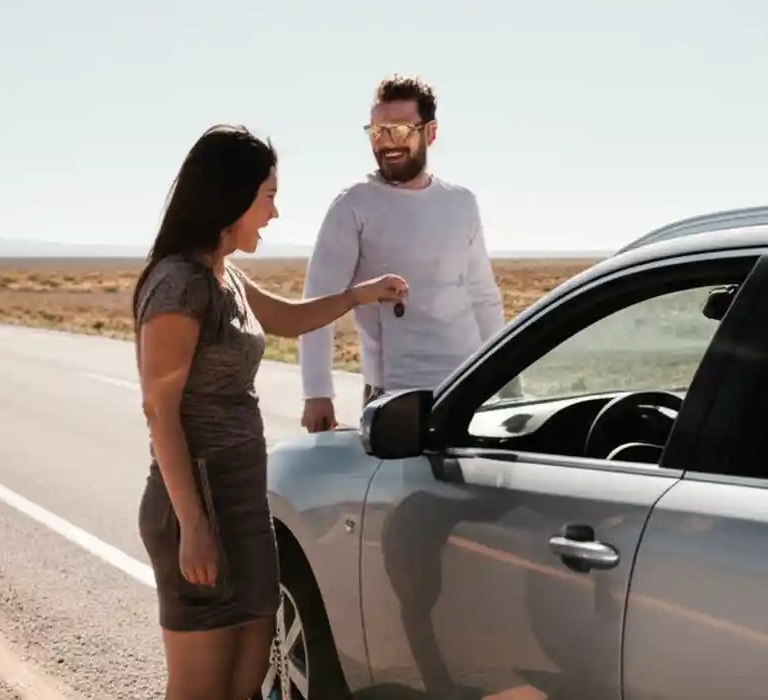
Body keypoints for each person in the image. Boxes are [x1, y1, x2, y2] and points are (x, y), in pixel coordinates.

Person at [131, 124, 407, 700]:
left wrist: (359, 294)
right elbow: (161, 410)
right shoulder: (179, 284)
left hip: (244, 500)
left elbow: (286, 317)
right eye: (269, 197)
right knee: (200, 691)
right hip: (196, 503)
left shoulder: (223, 273)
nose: (274, 214)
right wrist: (194, 527)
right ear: (230, 198)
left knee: (245, 684)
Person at [298, 74, 507, 432]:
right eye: (377, 132)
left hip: (468, 386)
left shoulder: (461, 203)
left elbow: (483, 297)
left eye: (399, 131)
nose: (386, 143)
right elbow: (319, 301)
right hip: (394, 394)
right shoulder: (353, 205)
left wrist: (506, 383)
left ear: (431, 132)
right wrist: (317, 391)